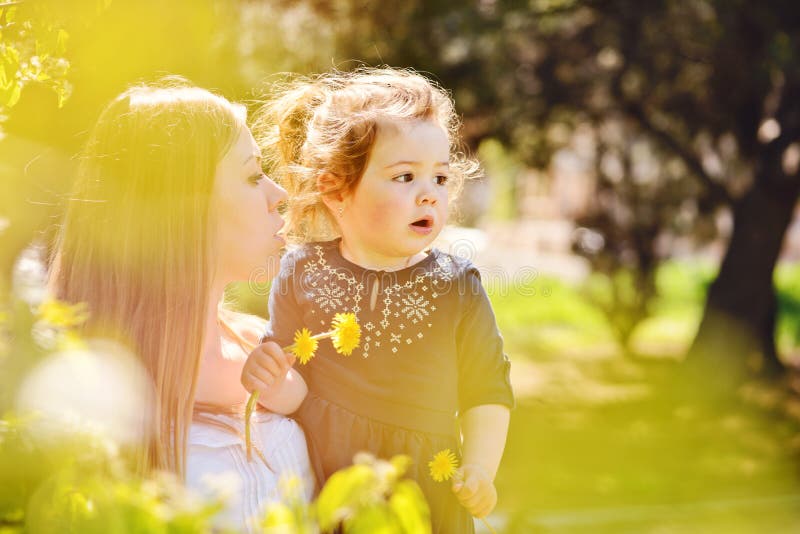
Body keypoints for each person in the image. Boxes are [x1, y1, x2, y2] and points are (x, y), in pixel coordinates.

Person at [249, 67, 514, 533]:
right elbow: (294, 387)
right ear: (335, 190)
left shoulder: (456, 286)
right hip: (334, 494)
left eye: (438, 178)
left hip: (426, 497)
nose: (429, 195)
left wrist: (479, 469)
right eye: (406, 176)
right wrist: (273, 383)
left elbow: (487, 388)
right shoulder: (303, 273)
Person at [48, 78, 314, 532]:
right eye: (253, 176)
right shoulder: (80, 383)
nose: (280, 196)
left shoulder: (270, 348)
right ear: (182, 208)